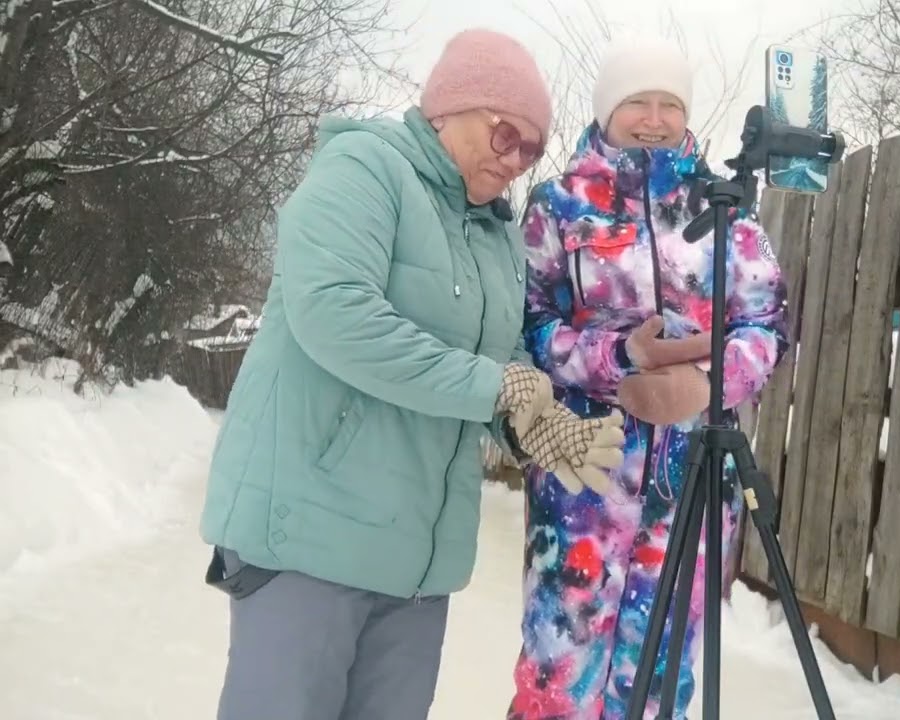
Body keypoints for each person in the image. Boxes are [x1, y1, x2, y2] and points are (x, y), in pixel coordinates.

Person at [197, 28, 623, 720]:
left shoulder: (495, 235)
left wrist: (529, 420)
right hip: (310, 538)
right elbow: (334, 313)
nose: (515, 160)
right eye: (505, 134)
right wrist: (496, 387)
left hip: (417, 564)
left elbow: (499, 355)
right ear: (450, 107)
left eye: (533, 149)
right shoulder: (364, 169)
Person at [508, 36, 791, 720]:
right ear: (609, 110)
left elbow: (769, 323)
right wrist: (617, 362)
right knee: (559, 664)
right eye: (639, 102)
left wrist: (705, 384)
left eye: (670, 104)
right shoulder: (557, 207)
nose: (656, 118)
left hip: (691, 476)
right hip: (585, 469)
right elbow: (529, 325)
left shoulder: (725, 210)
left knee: (663, 667)